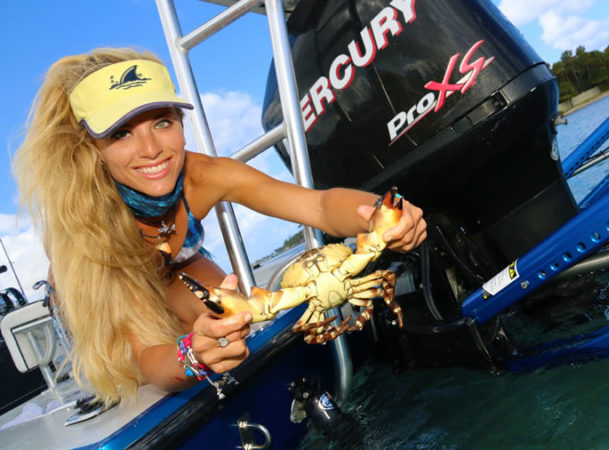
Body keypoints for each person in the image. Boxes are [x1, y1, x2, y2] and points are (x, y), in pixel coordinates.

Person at [13, 47, 427, 407]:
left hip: (176, 268)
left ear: (180, 120)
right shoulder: (84, 227)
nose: (152, 150)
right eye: (122, 133)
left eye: (162, 122)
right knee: (141, 370)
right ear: (92, 149)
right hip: (95, 294)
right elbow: (145, 354)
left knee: (230, 324)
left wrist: (379, 211)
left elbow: (317, 206)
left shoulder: (205, 174)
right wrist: (192, 356)